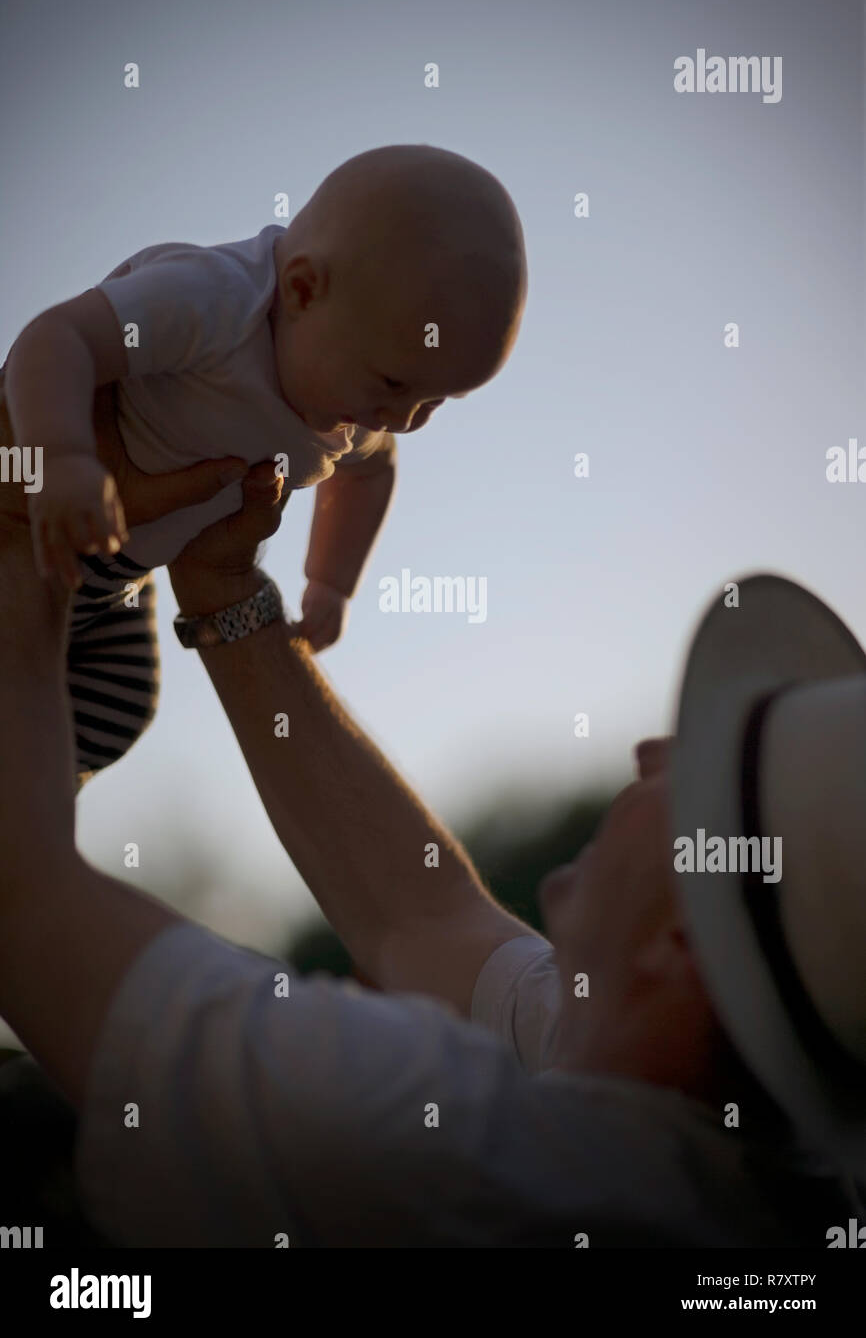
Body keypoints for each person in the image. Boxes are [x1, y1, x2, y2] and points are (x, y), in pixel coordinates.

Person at [0, 403, 863, 1246]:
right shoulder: (681, 1140)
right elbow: (419, 916)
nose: (648, 755)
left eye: (697, 772)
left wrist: (25, 505)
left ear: (680, 944)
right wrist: (227, 592)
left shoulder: (443, 1152)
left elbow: (22, 896)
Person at [1, 143, 526, 786]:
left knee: (122, 705)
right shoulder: (215, 302)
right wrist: (60, 458)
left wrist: (331, 581)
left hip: (114, 584)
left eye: (436, 402)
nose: (400, 419)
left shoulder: (356, 410)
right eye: (393, 384)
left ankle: (32, 813)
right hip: (28, 515)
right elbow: (56, 338)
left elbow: (374, 470)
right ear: (305, 289)